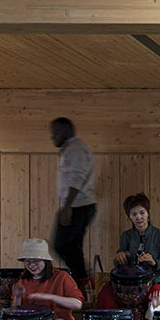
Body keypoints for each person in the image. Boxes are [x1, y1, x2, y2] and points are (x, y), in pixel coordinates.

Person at [50, 117, 97, 286]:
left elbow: (77, 178)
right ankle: (84, 284)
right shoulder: (71, 148)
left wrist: (67, 207)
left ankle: (83, 282)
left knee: (61, 245)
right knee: (72, 248)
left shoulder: (76, 149)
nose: (52, 136)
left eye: (56, 132)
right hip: (77, 205)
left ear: (66, 130)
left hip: (79, 205)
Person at [113, 192, 160, 275]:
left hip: (157, 280)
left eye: (142, 213)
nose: (138, 217)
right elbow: (117, 264)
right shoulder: (126, 236)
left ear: (148, 213)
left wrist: (154, 262)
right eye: (134, 214)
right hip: (131, 279)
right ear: (129, 217)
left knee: (157, 288)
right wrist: (120, 257)